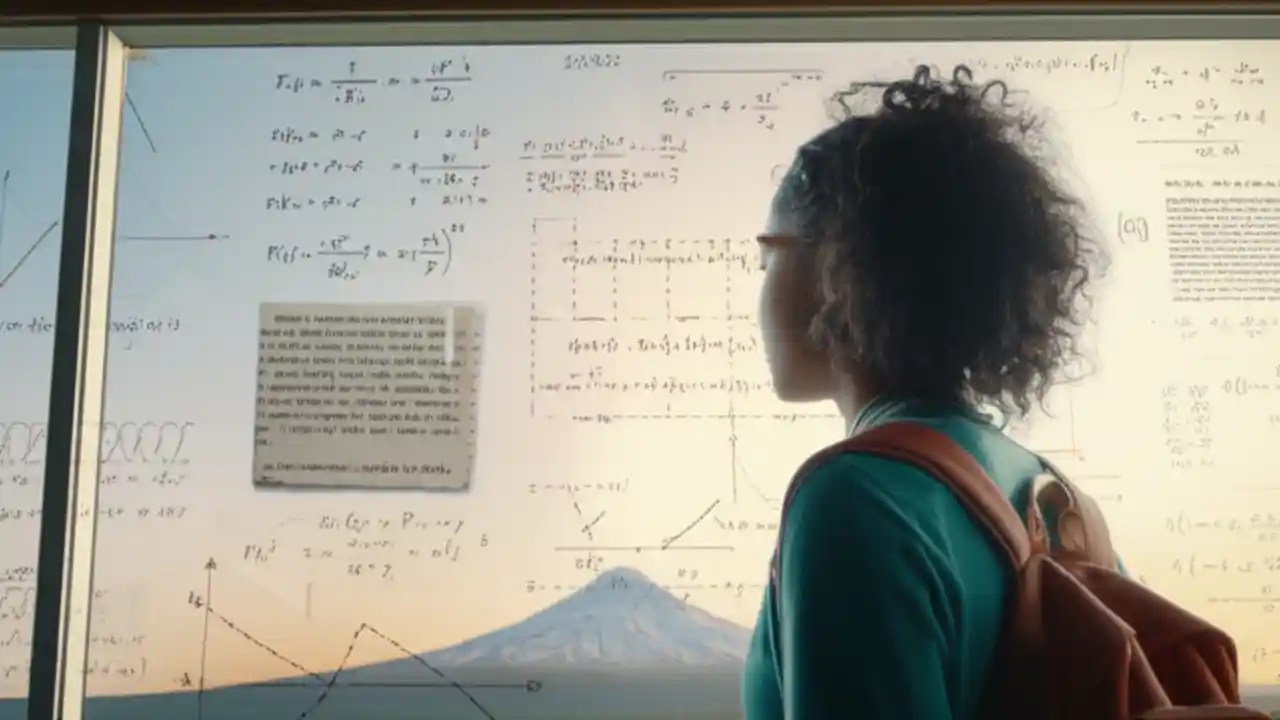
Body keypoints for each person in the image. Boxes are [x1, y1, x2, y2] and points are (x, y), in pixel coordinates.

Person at [741, 64, 1103, 720]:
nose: (760, 290)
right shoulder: (1058, 500)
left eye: (768, 256)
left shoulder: (856, 498)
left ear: (833, 268)